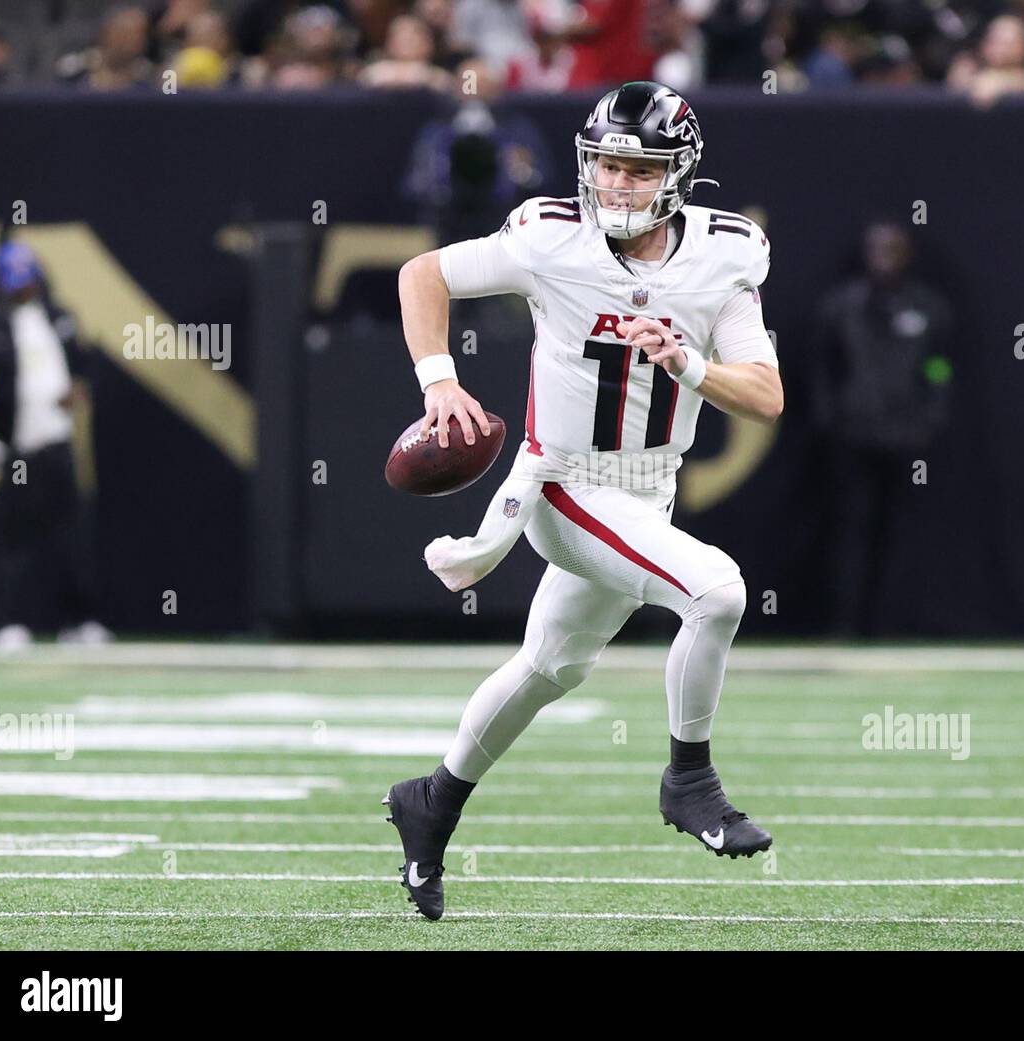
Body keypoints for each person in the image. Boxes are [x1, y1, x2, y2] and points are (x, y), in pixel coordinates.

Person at [388, 81, 783, 920]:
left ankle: (433, 800)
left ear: (678, 174)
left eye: (637, 171)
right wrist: (439, 383)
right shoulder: (549, 239)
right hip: (564, 483)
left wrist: (690, 365)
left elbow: (765, 394)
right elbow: (422, 273)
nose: (614, 185)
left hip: (649, 490)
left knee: (549, 668)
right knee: (717, 591)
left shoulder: (724, 254)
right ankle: (690, 779)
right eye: (605, 165)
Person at [811, 222, 953, 636]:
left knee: (903, 532)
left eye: (893, 249)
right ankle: (845, 624)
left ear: (907, 254)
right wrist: (832, 419)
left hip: (908, 441)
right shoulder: (840, 306)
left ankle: (896, 624)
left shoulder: (929, 307)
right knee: (850, 528)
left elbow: (940, 367)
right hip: (853, 439)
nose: (884, 257)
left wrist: (931, 416)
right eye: (876, 249)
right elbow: (822, 369)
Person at [0, 243, 109, 652]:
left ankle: (80, 621)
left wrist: (78, 391)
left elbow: (86, 370)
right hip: (15, 449)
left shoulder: (59, 318)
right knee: (14, 542)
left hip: (56, 444)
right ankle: (12, 622)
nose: (24, 289)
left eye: (29, 280)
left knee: (72, 538)